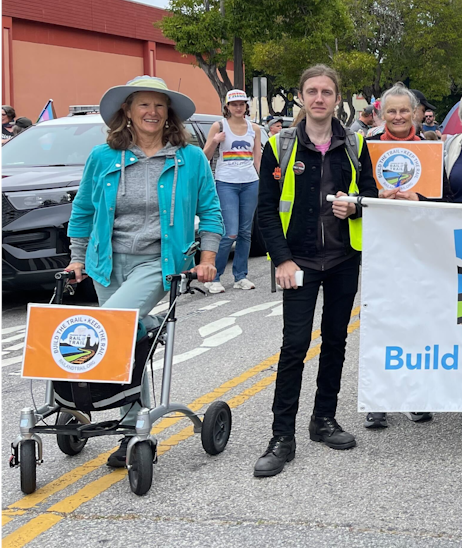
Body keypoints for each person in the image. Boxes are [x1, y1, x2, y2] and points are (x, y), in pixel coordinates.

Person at [65, 75, 223, 468]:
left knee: (112, 326)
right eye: (143, 105)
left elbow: (212, 212)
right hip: (106, 263)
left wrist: (207, 258)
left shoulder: (190, 158)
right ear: (127, 112)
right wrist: (77, 257)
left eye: (159, 105)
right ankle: (135, 433)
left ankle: (144, 324)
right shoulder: (103, 157)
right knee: (125, 346)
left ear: (168, 113)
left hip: (160, 262)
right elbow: (83, 211)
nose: (152, 112)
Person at [254, 64, 378, 477]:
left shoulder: (356, 145)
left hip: (343, 259)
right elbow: (267, 211)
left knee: (336, 341)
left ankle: (323, 419)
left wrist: (356, 205)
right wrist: (282, 260)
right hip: (300, 261)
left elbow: (373, 198)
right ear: (302, 97)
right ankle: (281, 436)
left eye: (327, 91)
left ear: (337, 98)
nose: (319, 98)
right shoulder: (280, 145)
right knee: (293, 347)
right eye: (312, 91)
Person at [359, 82, 436, 430]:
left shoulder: (433, 148)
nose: (399, 116)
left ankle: (414, 394)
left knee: (418, 321)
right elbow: (357, 191)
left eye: (405, 110)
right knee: (380, 321)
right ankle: (378, 399)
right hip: (381, 245)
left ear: (416, 113)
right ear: (381, 114)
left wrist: (422, 201)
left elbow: (444, 198)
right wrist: (377, 194)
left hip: (420, 246)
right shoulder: (365, 148)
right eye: (392, 111)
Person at [202, 89, 262, 294]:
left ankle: (240, 276)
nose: (238, 108)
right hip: (226, 182)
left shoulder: (254, 128)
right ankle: (214, 276)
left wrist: (263, 183)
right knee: (230, 232)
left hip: (250, 182)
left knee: (246, 232)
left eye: (242, 104)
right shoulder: (218, 126)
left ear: (246, 106)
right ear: (227, 106)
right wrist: (215, 141)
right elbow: (205, 157)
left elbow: (257, 159)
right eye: (234, 104)